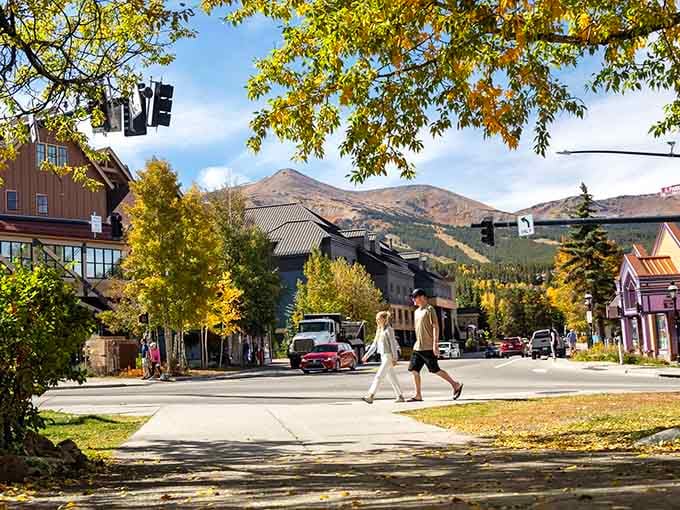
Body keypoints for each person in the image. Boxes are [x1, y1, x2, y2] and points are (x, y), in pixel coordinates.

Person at [408, 289, 463, 401]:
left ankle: (455, 384)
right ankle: (418, 395)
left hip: (428, 347)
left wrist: (435, 344)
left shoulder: (430, 309)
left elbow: (435, 327)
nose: (413, 299)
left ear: (422, 297)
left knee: (435, 369)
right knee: (414, 370)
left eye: (415, 297)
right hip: (417, 347)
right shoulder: (416, 311)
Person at [361, 311, 404, 404]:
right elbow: (374, 345)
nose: (377, 320)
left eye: (378, 318)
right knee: (392, 378)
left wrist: (395, 358)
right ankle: (400, 396)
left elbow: (393, 345)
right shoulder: (379, 330)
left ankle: (371, 395)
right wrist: (366, 355)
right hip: (382, 356)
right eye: (376, 318)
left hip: (388, 356)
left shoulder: (389, 330)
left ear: (384, 319)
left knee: (379, 376)